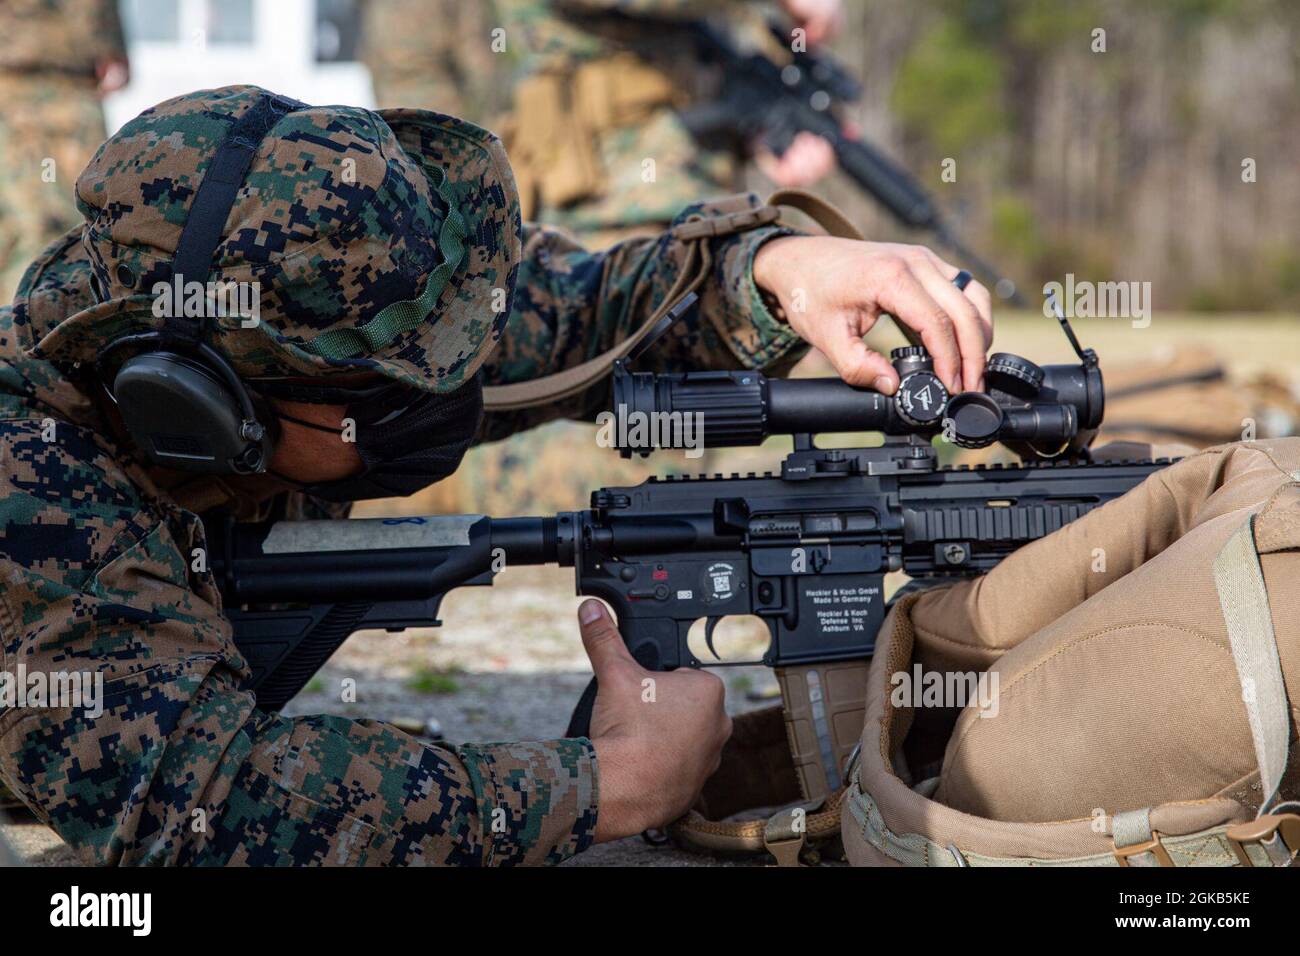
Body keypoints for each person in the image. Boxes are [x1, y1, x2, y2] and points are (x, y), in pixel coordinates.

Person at [0, 86, 991, 865]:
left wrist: (770, 268)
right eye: (385, 396)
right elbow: (199, 809)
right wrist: (597, 784)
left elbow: (576, 316)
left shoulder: (261, 325)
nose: (437, 404)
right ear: (204, 408)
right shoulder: (31, 489)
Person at [0, 0, 130, 305]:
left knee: (75, 221)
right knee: (38, 223)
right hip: (31, 81)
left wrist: (112, 42)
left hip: (67, 80)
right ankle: (24, 335)